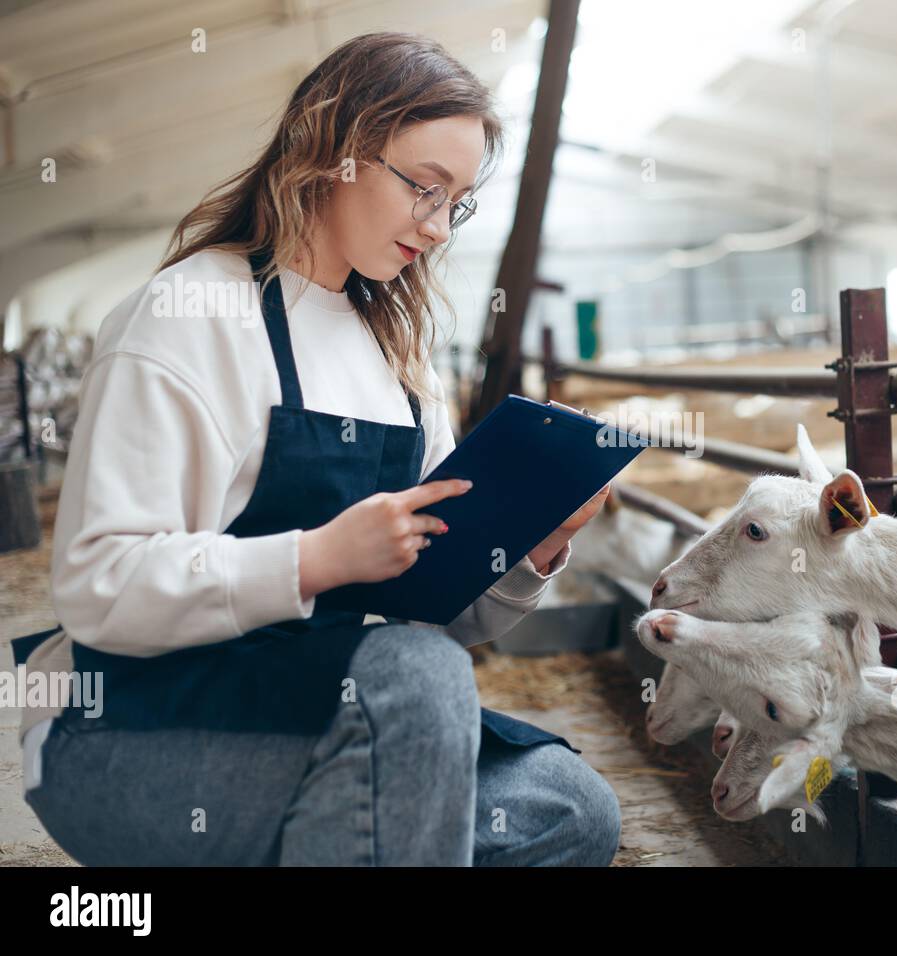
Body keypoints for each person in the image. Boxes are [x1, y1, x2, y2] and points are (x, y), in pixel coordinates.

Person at [12, 31, 621, 866]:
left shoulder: (400, 360)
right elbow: (96, 589)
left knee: (566, 807)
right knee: (412, 677)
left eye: (458, 202)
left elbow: (441, 615)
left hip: (320, 709)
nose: (439, 227)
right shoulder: (189, 314)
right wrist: (315, 559)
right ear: (335, 148)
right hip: (135, 724)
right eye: (424, 188)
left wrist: (538, 540)